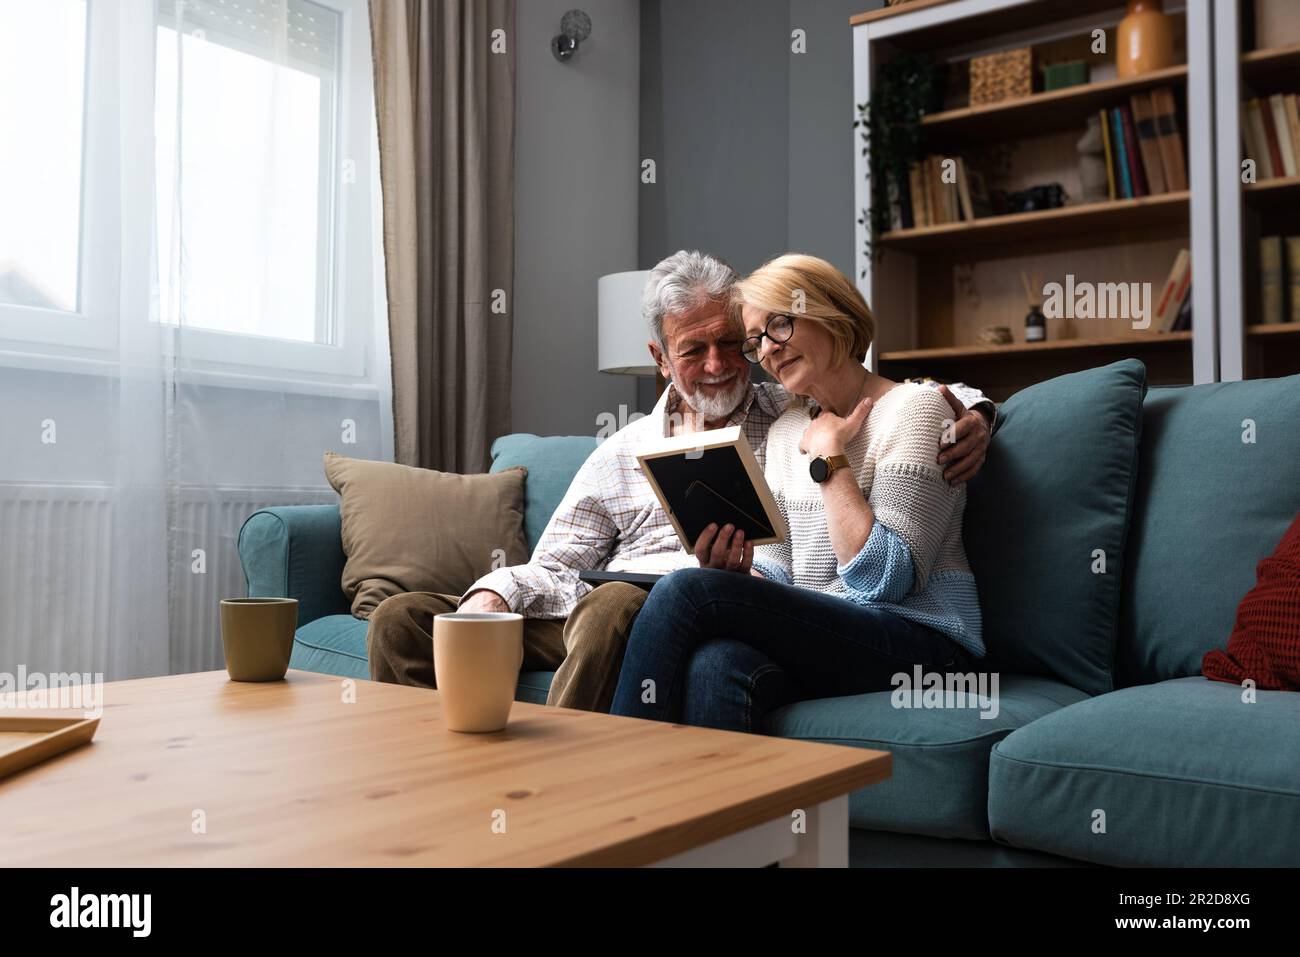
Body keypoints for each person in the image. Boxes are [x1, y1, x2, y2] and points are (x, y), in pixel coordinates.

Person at [369, 250, 993, 713]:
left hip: (656, 610)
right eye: (694, 351)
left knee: (620, 606)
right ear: (660, 359)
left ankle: (574, 788)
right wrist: (496, 593)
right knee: (400, 619)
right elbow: (557, 564)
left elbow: (902, 402)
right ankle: (438, 785)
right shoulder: (625, 450)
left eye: (733, 343)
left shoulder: (786, 409)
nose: (720, 364)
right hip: (619, 612)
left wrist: (977, 416)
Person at [609, 253, 984, 732]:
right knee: (716, 663)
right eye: (755, 341)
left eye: (780, 326)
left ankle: (620, 766)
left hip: (924, 643)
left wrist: (830, 459)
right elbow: (776, 567)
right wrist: (739, 577)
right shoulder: (787, 430)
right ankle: (709, 786)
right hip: (836, 635)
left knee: (684, 590)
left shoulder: (916, 410)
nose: (768, 350)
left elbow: (883, 580)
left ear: (832, 315)